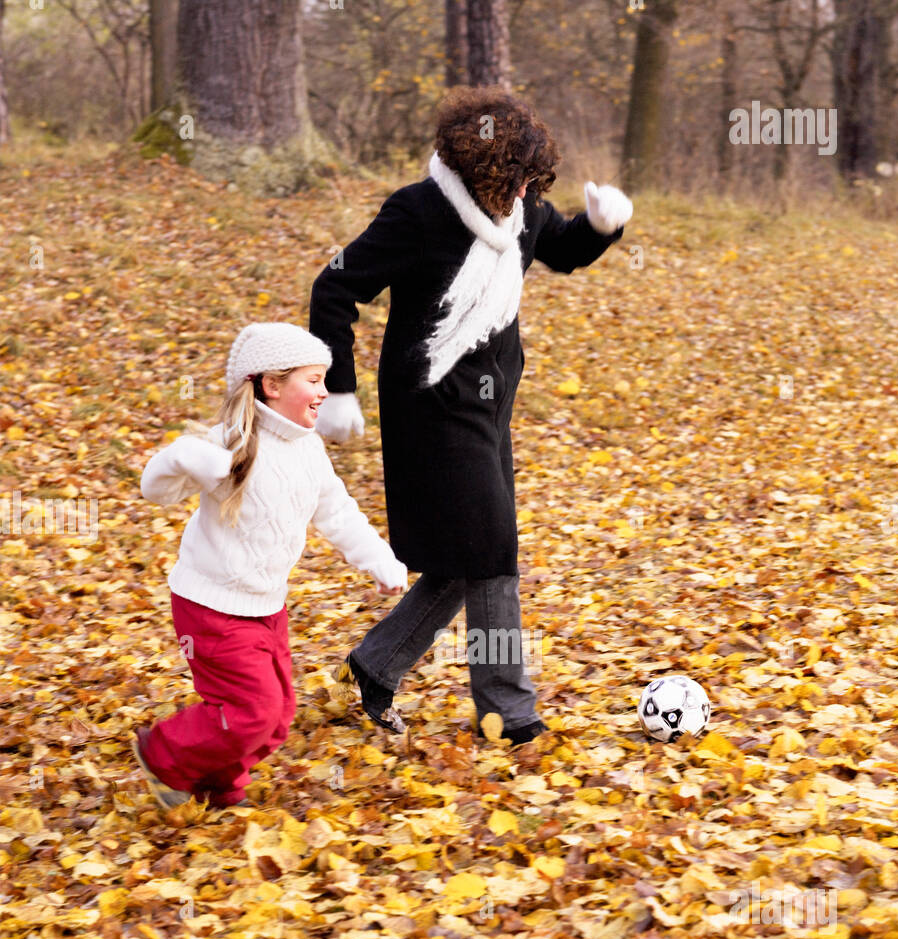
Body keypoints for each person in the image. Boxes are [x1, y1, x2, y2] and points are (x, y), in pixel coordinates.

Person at [309, 85, 633, 745]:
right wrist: (335, 388)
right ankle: (507, 713)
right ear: (479, 171)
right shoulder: (418, 213)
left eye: (530, 183)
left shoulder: (522, 211)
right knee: (491, 550)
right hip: (427, 406)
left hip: (488, 410)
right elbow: (335, 286)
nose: (523, 193)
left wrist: (601, 226)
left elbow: (562, 249)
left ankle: (374, 666)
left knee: (466, 554)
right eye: (513, 179)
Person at [132, 322, 407, 811]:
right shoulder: (231, 441)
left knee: (277, 716)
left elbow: (338, 512)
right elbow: (156, 490)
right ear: (272, 385)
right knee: (250, 712)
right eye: (314, 380)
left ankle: (217, 783)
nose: (324, 392)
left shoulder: (308, 449)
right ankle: (163, 754)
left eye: (325, 379)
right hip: (209, 604)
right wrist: (182, 456)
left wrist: (379, 559)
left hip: (265, 605)